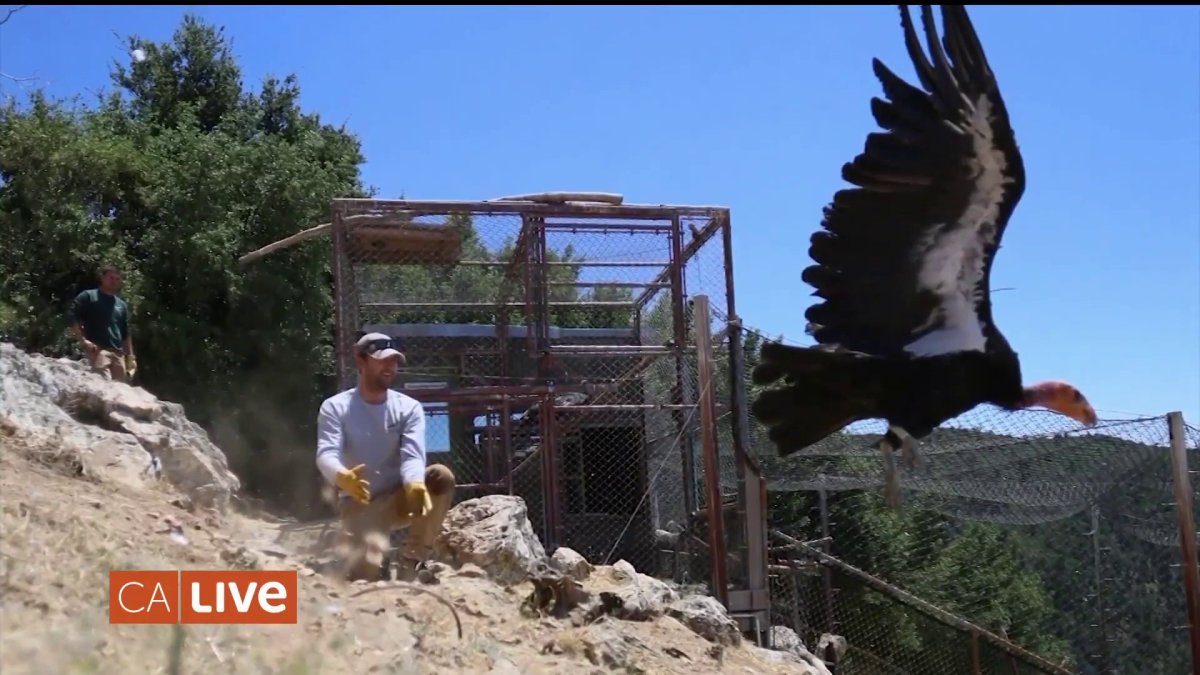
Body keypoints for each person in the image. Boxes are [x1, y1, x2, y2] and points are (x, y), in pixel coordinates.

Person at [315, 332, 456, 581]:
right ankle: (372, 560)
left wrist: (413, 483)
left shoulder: (408, 408)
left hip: (397, 500)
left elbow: (413, 455)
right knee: (367, 578)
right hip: (358, 504)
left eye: (394, 360)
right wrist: (342, 477)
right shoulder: (335, 407)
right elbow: (326, 453)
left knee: (440, 477)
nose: (390, 366)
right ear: (361, 360)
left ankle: (412, 559)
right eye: (382, 360)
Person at [69, 265, 137, 383]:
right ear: (102, 278)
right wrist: (83, 341)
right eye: (111, 278)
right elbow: (71, 316)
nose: (114, 281)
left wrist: (130, 357)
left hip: (118, 354)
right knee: (102, 385)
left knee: (119, 390)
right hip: (98, 351)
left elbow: (125, 332)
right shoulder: (89, 296)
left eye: (117, 279)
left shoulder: (121, 305)